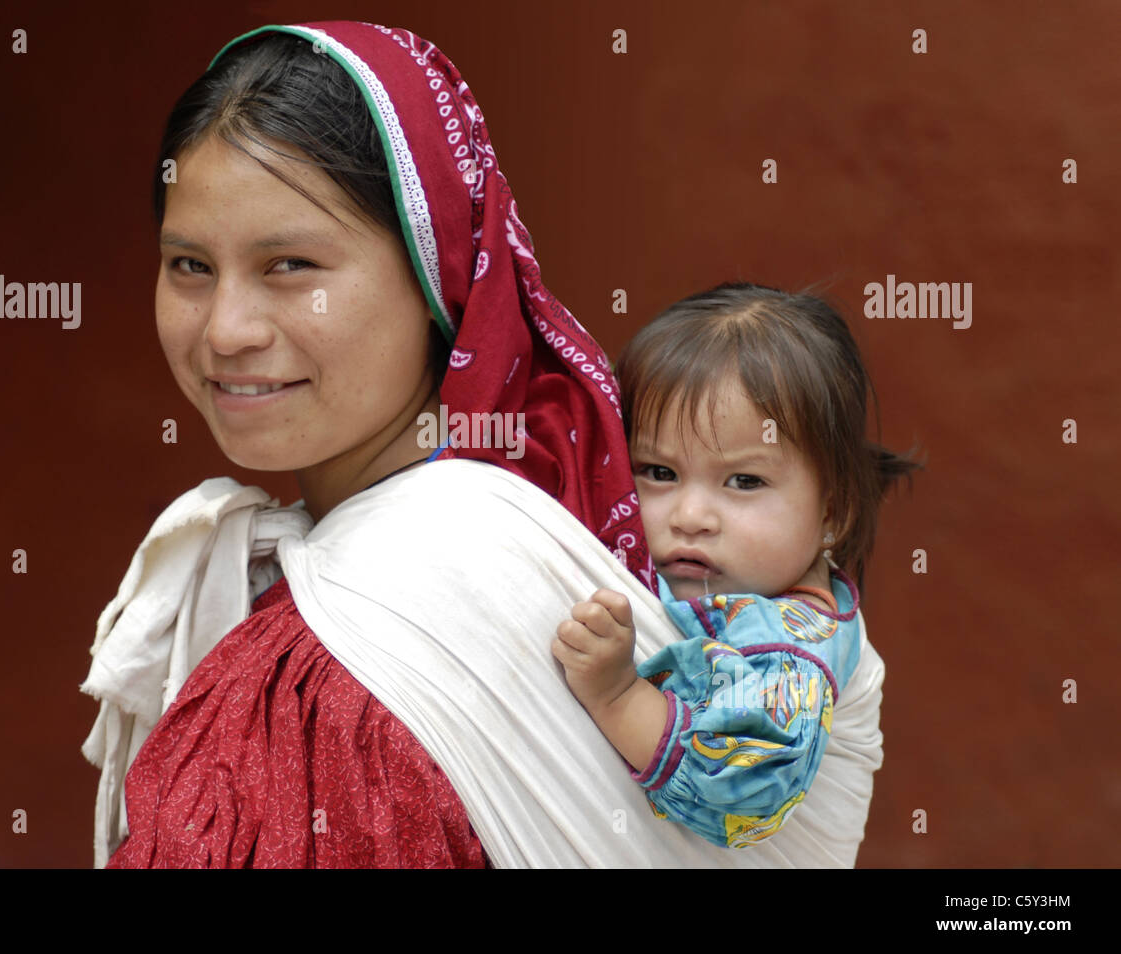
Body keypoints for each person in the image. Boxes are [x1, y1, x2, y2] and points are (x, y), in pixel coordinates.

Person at [79, 21, 887, 868]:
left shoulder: (363, 658)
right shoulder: (553, 517)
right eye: (189, 266)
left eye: (290, 265)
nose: (227, 330)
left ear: (443, 268)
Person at [553, 284, 921, 849]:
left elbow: (736, 786)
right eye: (657, 471)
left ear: (833, 512)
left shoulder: (793, 644)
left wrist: (618, 695)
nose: (691, 515)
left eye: (744, 481)